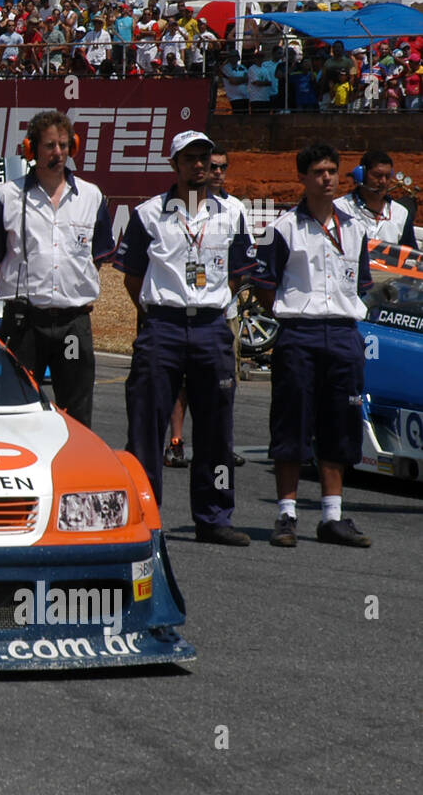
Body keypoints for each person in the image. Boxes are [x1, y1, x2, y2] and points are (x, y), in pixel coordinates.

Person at [115, 132, 256, 546]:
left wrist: (210, 305)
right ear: (174, 163)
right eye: (190, 158)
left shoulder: (233, 213)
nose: (199, 165)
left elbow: (239, 270)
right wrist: (160, 314)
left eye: (205, 158)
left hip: (212, 327)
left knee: (217, 429)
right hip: (163, 326)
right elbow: (132, 276)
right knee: (146, 425)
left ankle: (214, 516)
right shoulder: (146, 214)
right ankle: (144, 515)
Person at [254, 143, 374, 548]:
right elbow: (263, 285)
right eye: (319, 171)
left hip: (343, 335)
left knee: (340, 424)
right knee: (291, 423)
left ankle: (332, 517)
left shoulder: (356, 227)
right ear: (302, 177)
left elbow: (362, 284)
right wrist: (293, 316)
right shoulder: (283, 227)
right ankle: (286, 515)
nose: (327, 178)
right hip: (300, 336)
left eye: (332, 171)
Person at [0, 110, 114, 428]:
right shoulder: (6, 197)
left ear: (74, 148)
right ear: (31, 149)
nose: (58, 153)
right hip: (26, 322)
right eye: (50, 146)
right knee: (17, 408)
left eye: (64, 146)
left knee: (76, 411)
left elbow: (96, 257)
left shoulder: (92, 196)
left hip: (73, 323)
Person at [165, 149, 249, 468]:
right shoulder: (174, 207)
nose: (217, 172)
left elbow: (240, 264)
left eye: (222, 167)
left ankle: (221, 444)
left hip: (220, 313)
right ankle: (176, 442)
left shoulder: (234, 208)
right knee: (181, 383)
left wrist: (220, 296)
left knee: (224, 383)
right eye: (212, 166)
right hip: (182, 313)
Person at [333, 149, 418, 248]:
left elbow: (410, 256)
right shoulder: (340, 209)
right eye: (377, 176)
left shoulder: (400, 213)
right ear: (362, 176)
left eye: (387, 176)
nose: (383, 181)